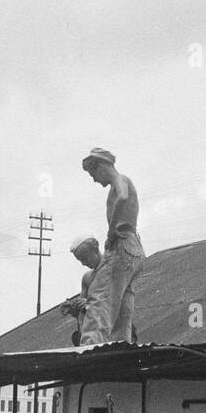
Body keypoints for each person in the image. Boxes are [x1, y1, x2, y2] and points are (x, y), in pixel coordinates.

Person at [79, 147, 145, 344]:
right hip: (134, 248)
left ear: (101, 166)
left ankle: (89, 347)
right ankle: (121, 345)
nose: (94, 180)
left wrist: (111, 231)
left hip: (121, 245)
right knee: (123, 305)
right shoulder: (123, 181)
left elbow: (123, 197)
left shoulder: (120, 180)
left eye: (93, 174)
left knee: (101, 297)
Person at [61, 235, 102, 342]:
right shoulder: (87, 278)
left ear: (95, 249)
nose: (83, 263)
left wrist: (89, 304)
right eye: (80, 260)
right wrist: (72, 308)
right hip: (89, 335)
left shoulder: (113, 271)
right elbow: (83, 313)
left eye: (85, 258)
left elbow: (116, 306)